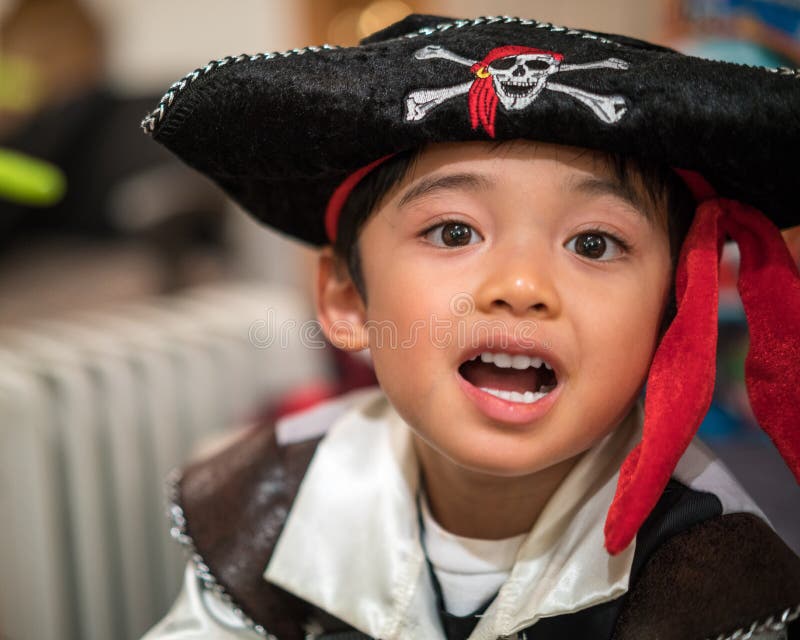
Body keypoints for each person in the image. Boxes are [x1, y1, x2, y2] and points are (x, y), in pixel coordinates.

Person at [140, 14, 800, 640]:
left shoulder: (710, 556)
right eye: (454, 231)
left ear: (672, 311)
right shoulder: (272, 494)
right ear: (347, 298)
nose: (521, 287)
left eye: (595, 244)